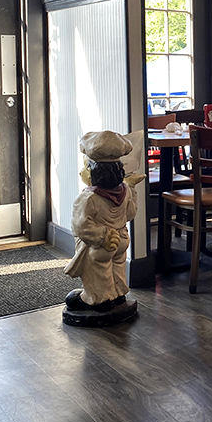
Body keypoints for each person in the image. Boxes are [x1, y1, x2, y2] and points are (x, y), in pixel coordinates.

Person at [64, 130, 142, 311]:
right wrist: (132, 188)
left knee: (98, 270)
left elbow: (80, 226)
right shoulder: (125, 190)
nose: (82, 171)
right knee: (117, 268)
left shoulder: (88, 198)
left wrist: (103, 236)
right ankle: (119, 294)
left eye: (86, 167)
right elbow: (130, 214)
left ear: (94, 171)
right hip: (122, 239)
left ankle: (100, 299)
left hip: (102, 244)